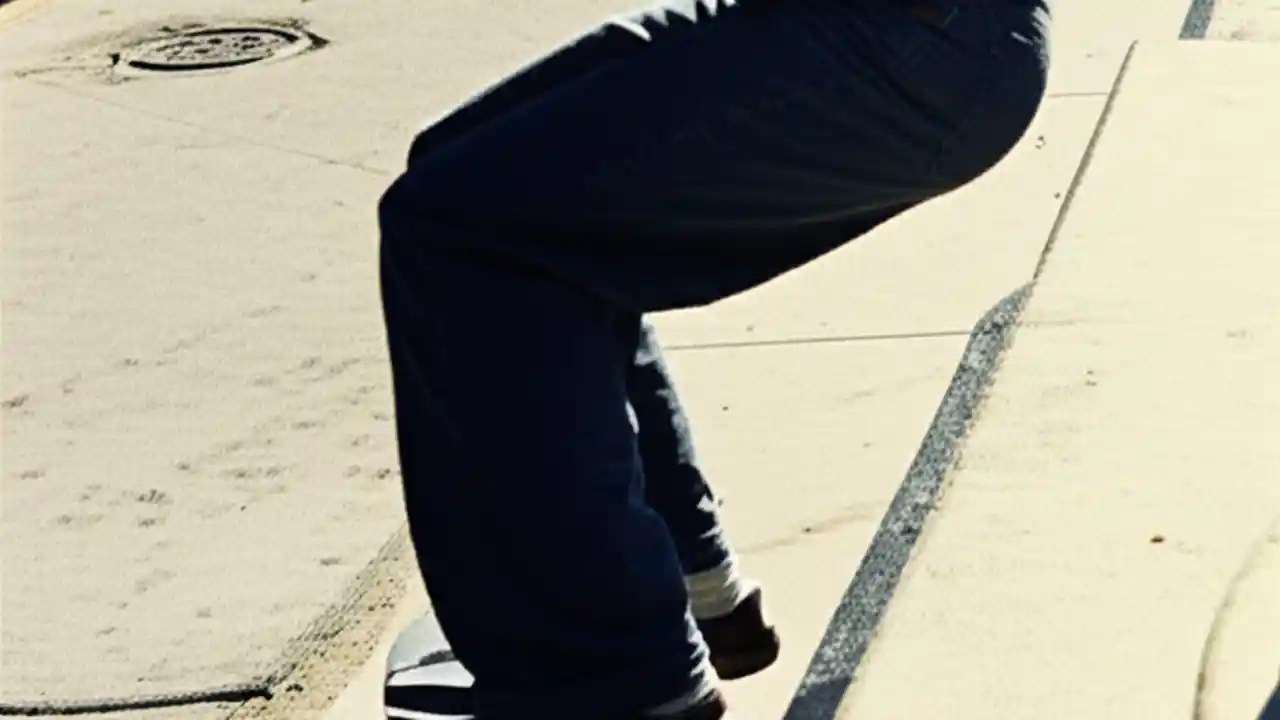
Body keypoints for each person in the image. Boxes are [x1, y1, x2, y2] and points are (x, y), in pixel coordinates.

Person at [377, 0, 1051, 717]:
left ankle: (615, 679)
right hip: (896, 31)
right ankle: (685, 582)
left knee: (469, 227)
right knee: (471, 172)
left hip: (915, 43)